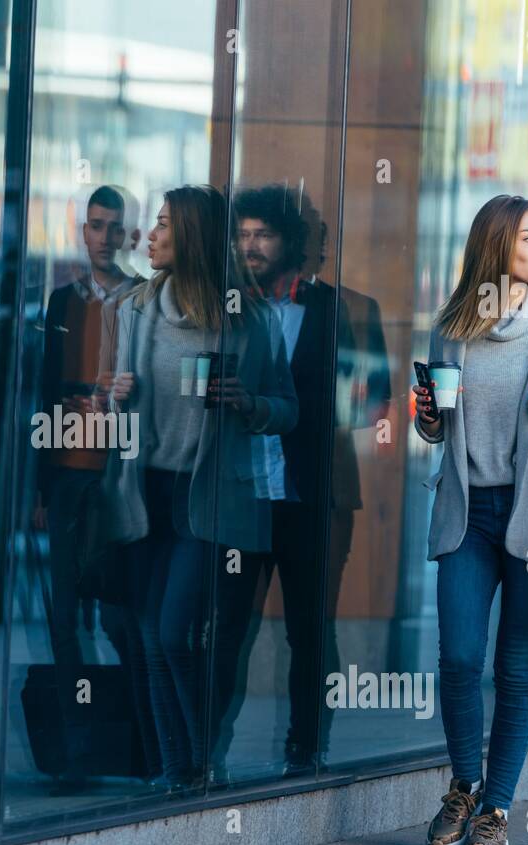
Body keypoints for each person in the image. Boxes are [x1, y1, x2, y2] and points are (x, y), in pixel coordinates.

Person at [97, 185, 297, 791]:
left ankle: (202, 761)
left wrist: (250, 402)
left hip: (207, 498)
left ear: (191, 236)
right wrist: (114, 396)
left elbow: (286, 408)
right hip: (143, 491)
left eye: (162, 225)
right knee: (150, 635)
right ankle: (174, 768)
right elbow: (109, 401)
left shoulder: (250, 318)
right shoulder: (133, 310)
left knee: (172, 631)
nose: (149, 237)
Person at [207, 183, 389, 780]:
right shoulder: (225, 308)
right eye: (243, 235)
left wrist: (345, 403)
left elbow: (374, 400)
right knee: (229, 628)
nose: (251, 246)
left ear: (293, 243)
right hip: (242, 496)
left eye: (264, 235)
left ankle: (304, 752)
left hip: (313, 496)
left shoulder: (341, 310)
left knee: (310, 631)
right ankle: (205, 757)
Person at [414, 194, 528, 845]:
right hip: (467, 514)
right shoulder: (451, 328)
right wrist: (426, 417)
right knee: (459, 659)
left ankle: (498, 809)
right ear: (496, 245)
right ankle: (463, 787)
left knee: (515, 668)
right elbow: (435, 430)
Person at [32, 185, 159, 791]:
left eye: (116, 228)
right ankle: (77, 750)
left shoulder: (144, 299)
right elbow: (40, 388)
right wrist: (36, 487)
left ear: (131, 237)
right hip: (66, 474)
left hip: (122, 478)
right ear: (82, 231)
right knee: (63, 617)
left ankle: (144, 744)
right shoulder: (61, 300)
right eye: (96, 225)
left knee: (119, 617)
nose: (105, 236)